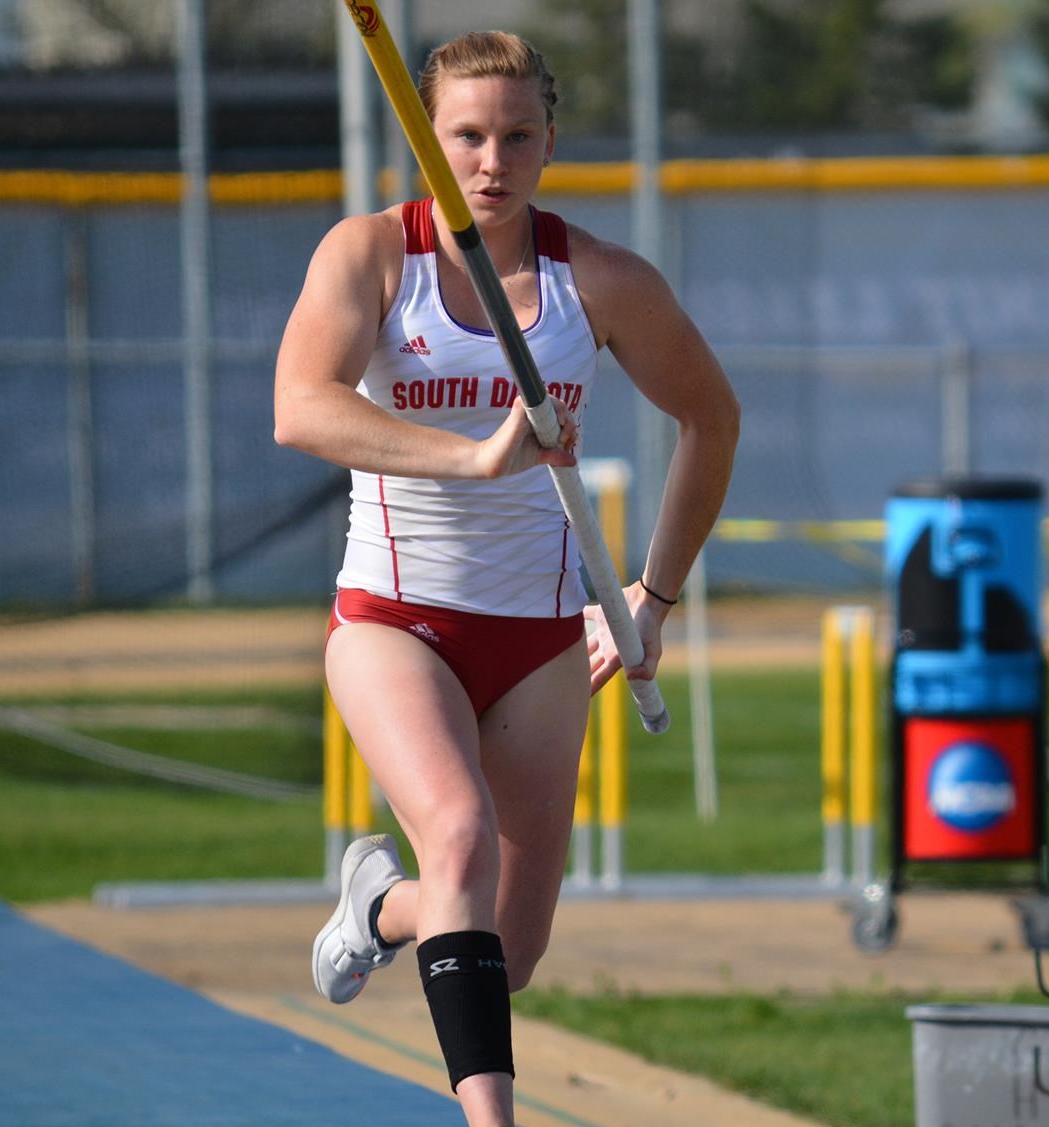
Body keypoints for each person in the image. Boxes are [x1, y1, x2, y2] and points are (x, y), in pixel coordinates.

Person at [272, 28, 737, 1127]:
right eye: (466, 136)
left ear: (549, 141)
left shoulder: (603, 283)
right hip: (393, 620)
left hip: (536, 638)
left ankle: (380, 903)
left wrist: (651, 596)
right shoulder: (372, 256)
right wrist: (477, 454)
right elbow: (302, 407)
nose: (491, 161)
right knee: (461, 836)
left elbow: (710, 420)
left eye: (516, 135)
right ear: (427, 140)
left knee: (505, 947)